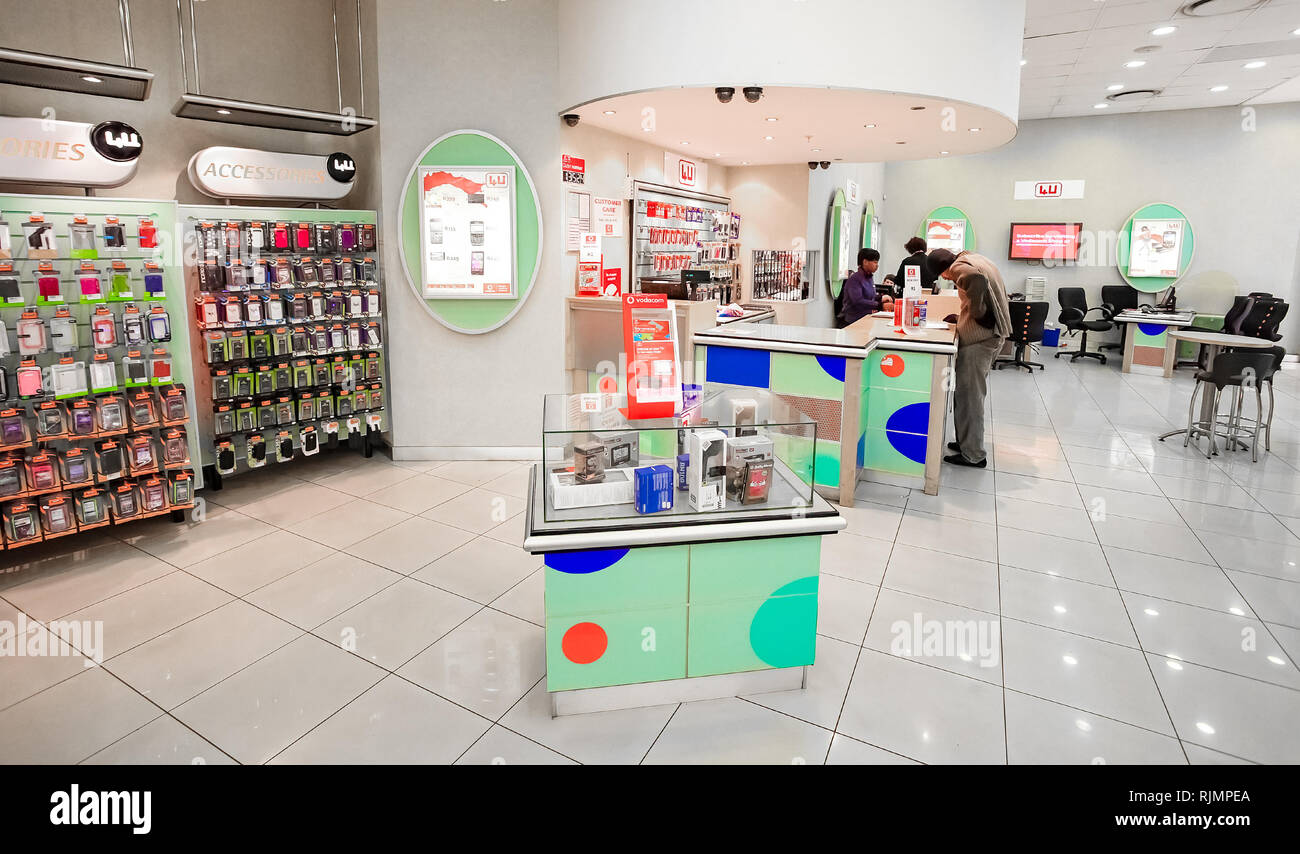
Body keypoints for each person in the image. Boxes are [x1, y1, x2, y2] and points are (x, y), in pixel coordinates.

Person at [928, 249, 1012, 468]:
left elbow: (977, 280)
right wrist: (963, 317)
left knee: (970, 397)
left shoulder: (958, 267)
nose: (946, 279)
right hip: (992, 336)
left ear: (943, 270)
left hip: (980, 341)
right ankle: (966, 443)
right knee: (967, 395)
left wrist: (977, 314)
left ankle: (973, 454)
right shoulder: (973, 257)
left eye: (943, 275)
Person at [840, 248, 894, 326]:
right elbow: (858, 302)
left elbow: (869, 296)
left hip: (866, 319)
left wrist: (881, 298)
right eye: (875, 262)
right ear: (865, 262)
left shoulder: (869, 278)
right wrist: (880, 305)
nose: (877, 265)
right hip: (853, 322)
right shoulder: (855, 279)